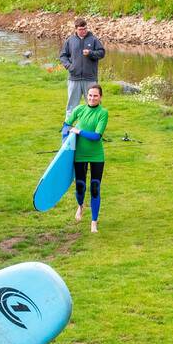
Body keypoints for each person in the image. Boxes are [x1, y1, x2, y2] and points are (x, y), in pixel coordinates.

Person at [63, 83, 107, 232]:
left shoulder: (103, 113)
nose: (92, 98)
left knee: (95, 188)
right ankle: (80, 206)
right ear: (86, 96)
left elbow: (96, 136)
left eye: (95, 96)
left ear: (100, 97)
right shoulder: (79, 109)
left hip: (96, 156)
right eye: (90, 95)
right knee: (80, 187)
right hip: (79, 155)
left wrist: (78, 131)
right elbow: (66, 124)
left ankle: (94, 221)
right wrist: (65, 142)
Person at [59, 17, 105, 115]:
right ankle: (68, 127)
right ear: (76, 29)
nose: (83, 31)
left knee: (93, 103)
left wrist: (90, 53)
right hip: (74, 78)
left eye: (85, 29)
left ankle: (94, 126)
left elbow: (102, 53)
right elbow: (63, 56)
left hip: (90, 78)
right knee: (72, 105)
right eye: (80, 29)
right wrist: (69, 66)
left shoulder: (93, 40)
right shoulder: (70, 41)